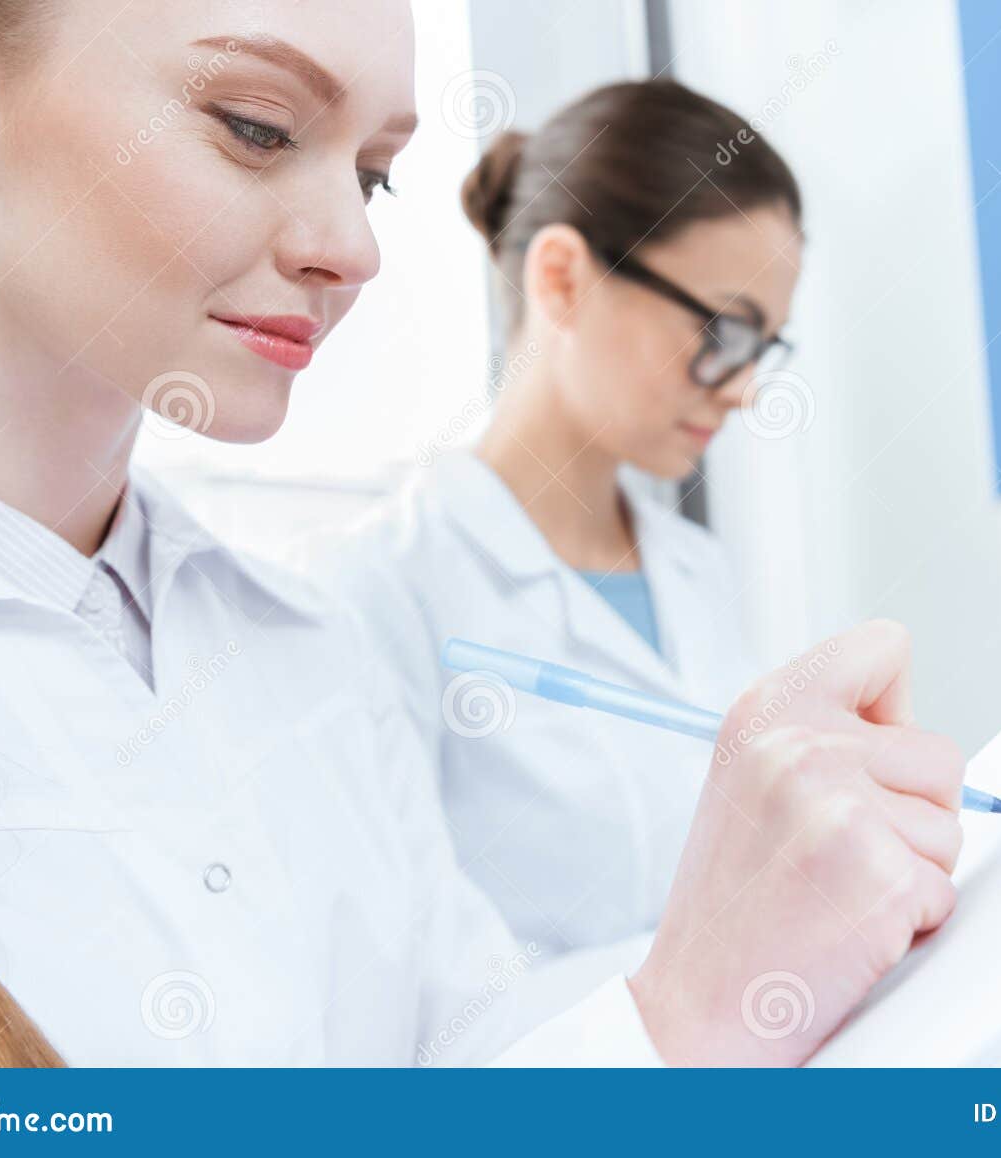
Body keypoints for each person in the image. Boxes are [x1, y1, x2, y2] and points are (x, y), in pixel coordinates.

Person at [0, 0, 964, 1068]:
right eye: (257, 128)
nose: (353, 251)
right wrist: (691, 1007)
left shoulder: (304, 656)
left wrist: (759, 957)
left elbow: (469, 1054)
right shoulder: (377, 589)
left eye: (372, 177)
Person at [300, 80, 800, 954]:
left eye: (765, 348)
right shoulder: (376, 588)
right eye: (724, 334)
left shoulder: (696, 572)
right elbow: (397, 992)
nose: (748, 387)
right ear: (563, 278)